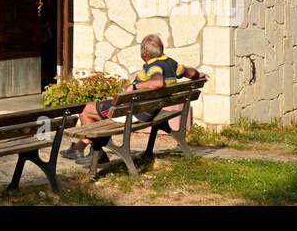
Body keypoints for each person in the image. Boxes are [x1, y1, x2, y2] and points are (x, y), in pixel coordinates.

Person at [63, 34, 206, 165]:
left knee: (86, 111)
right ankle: (78, 147)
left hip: (137, 113)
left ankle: (97, 154)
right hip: (151, 110)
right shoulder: (171, 63)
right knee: (97, 107)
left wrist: (135, 86)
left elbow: (158, 83)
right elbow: (191, 72)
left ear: (145, 54)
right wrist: (199, 75)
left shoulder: (153, 67)